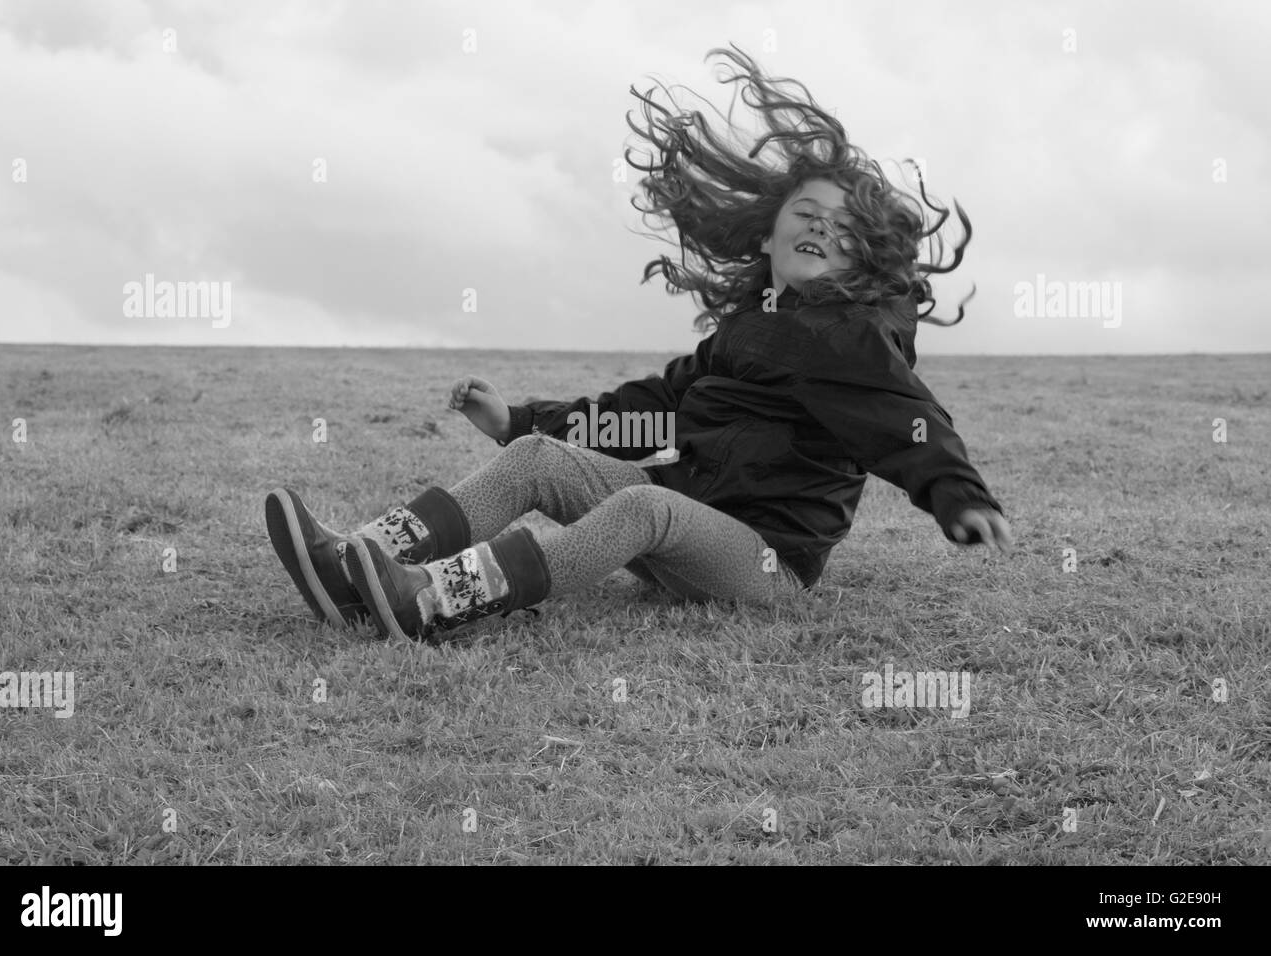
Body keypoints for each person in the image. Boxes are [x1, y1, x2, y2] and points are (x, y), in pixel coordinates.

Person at [265, 45, 1012, 642]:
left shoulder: (855, 340)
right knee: (535, 463)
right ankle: (355, 562)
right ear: (769, 229)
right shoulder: (752, 326)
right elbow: (651, 409)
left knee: (645, 512)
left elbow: (910, 421)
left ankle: (434, 601)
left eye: (841, 228)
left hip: (760, 564)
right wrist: (521, 421)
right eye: (806, 212)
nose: (818, 226)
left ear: (866, 256)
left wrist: (960, 496)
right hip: (682, 518)